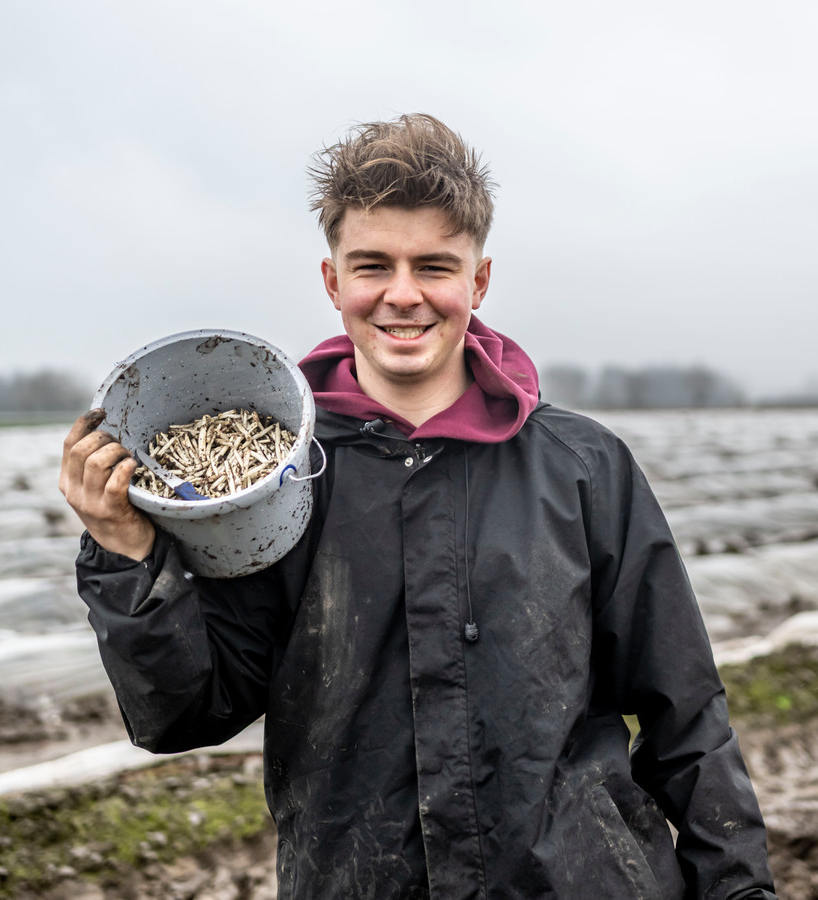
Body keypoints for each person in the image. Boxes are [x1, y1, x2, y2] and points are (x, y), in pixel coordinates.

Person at [59, 114, 778, 899]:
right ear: (333, 281)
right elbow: (186, 714)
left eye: (434, 266)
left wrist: (740, 889)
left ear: (479, 280)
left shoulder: (581, 467)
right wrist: (128, 556)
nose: (403, 296)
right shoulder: (277, 484)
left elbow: (686, 714)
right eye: (373, 266)